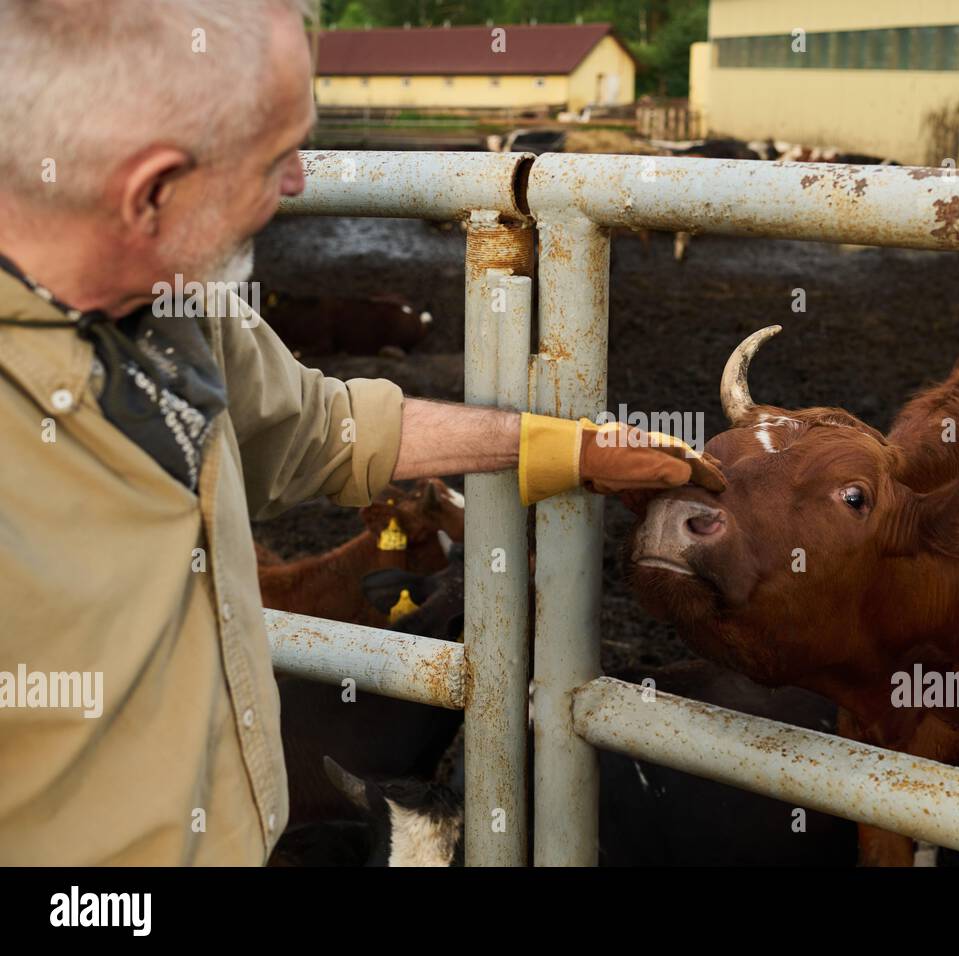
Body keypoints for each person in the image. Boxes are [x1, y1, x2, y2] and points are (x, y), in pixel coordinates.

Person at [0, 0, 723, 865]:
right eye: (277, 156)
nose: (303, 180)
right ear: (151, 191)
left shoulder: (177, 309)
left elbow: (321, 429)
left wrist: (569, 449)